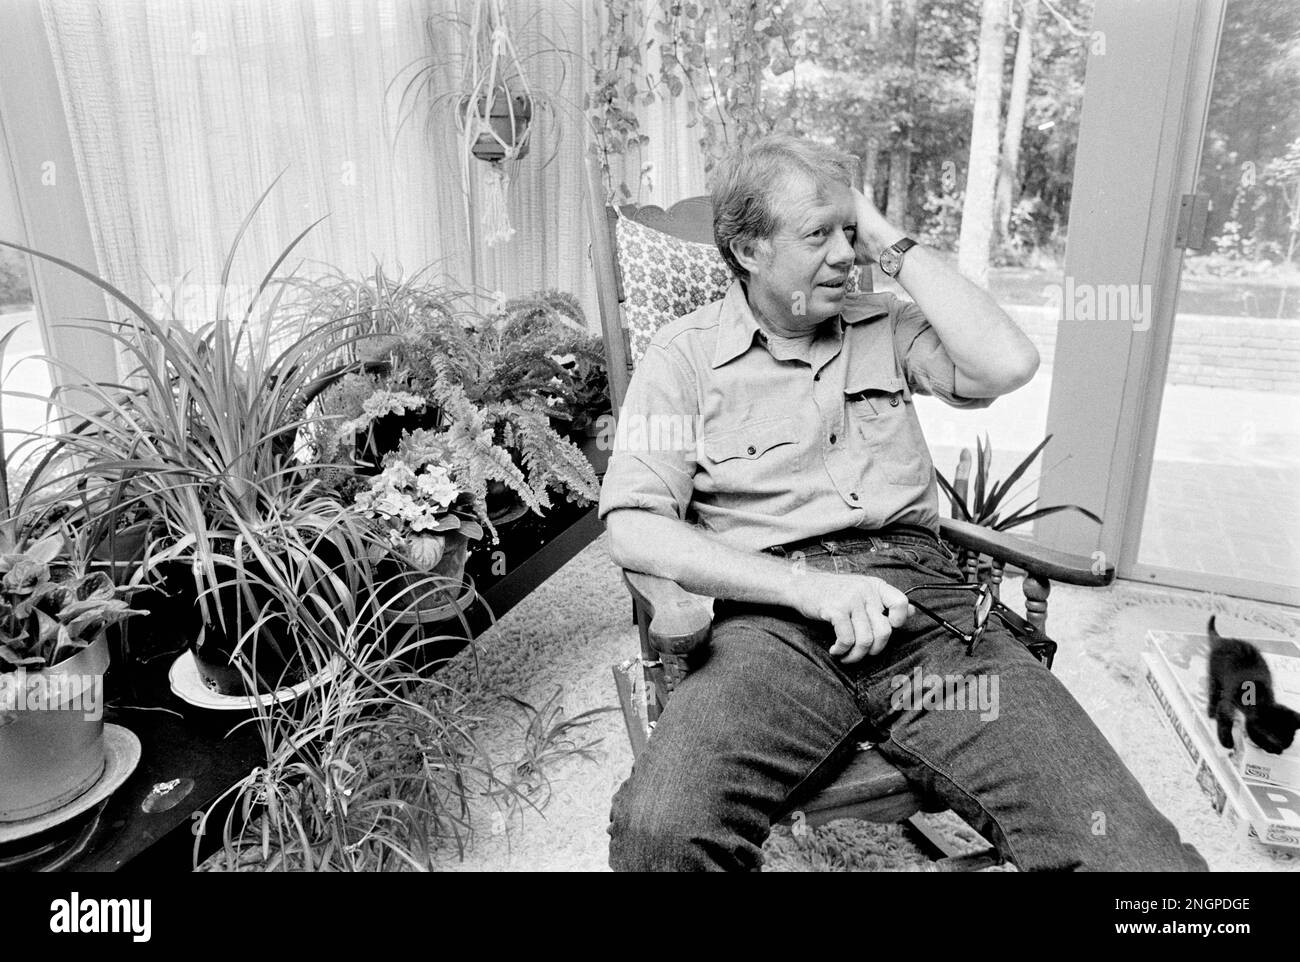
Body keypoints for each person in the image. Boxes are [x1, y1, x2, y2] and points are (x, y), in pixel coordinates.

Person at [597, 133, 1207, 872]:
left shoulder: (881, 323)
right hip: (769, 628)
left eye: (849, 230)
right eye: (818, 234)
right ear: (751, 251)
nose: (845, 253)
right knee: (659, 831)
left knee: (1140, 862)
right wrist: (810, 588)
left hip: (929, 618)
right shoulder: (682, 357)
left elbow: (1007, 363)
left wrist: (885, 236)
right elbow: (634, 525)